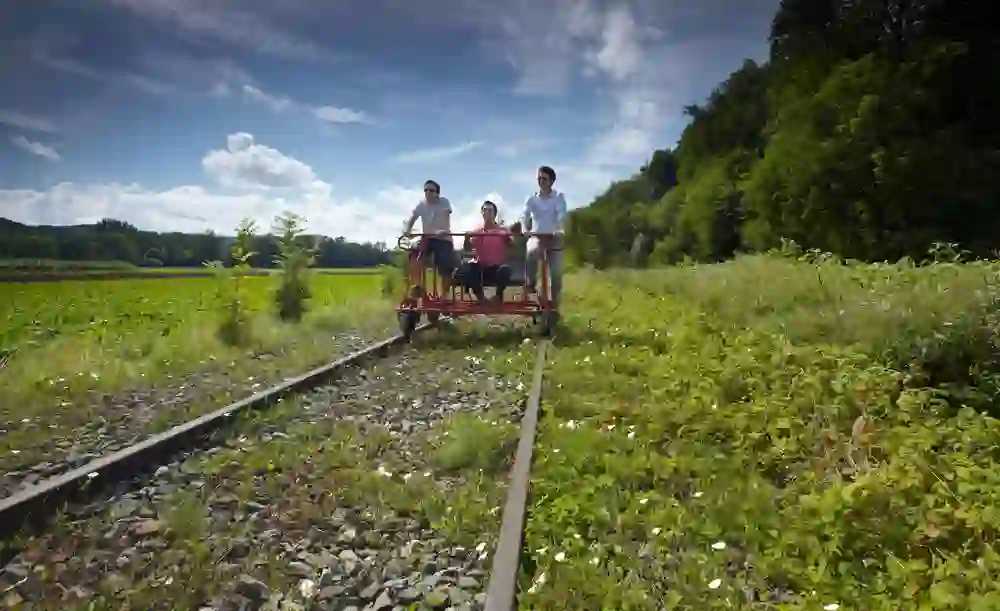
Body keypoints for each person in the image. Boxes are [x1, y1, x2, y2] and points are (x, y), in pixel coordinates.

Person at [520, 165, 567, 306]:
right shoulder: (531, 198)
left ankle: (554, 304)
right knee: (532, 252)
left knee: (556, 274)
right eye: (539, 178)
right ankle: (530, 283)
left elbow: (561, 214)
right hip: (537, 236)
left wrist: (561, 229)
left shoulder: (558, 197)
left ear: (551, 181)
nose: (541, 181)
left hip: (553, 237)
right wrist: (525, 229)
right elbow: (524, 215)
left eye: (544, 179)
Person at [403, 179, 455, 298]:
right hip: (427, 238)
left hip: (443, 238)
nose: (428, 192)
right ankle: (418, 287)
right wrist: (407, 229)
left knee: (446, 264)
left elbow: (445, 218)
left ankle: (444, 296)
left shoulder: (444, 202)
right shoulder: (421, 205)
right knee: (414, 253)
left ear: (437, 193)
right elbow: (412, 218)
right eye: (425, 190)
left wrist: (440, 231)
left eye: (431, 190)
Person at [461, 200, 514, 303]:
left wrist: (512, 238)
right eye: (484, 210)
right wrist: (466, 238)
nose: (487, 212)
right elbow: (467, 248)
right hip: (481, 268)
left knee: (505, 270)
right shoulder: (478, 231)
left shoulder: (503, 231)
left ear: (495, 214)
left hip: (496, 269)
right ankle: (481, 299)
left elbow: (513, 247)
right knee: (469, 267)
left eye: (490, 210)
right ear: (482, 213)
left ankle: (497, 297)